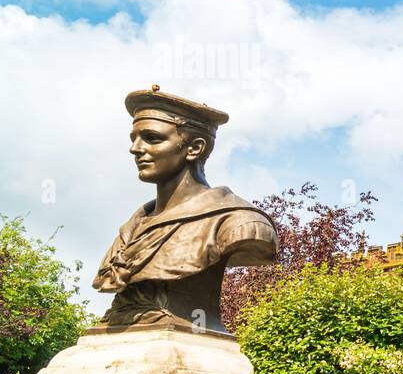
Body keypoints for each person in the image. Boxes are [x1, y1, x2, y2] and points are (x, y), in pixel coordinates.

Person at [91, 88, 278, 335]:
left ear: (194, 148)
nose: (135, 149)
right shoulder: (131, 230)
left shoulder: (237, 223)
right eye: (134, 138)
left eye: (152, 138)